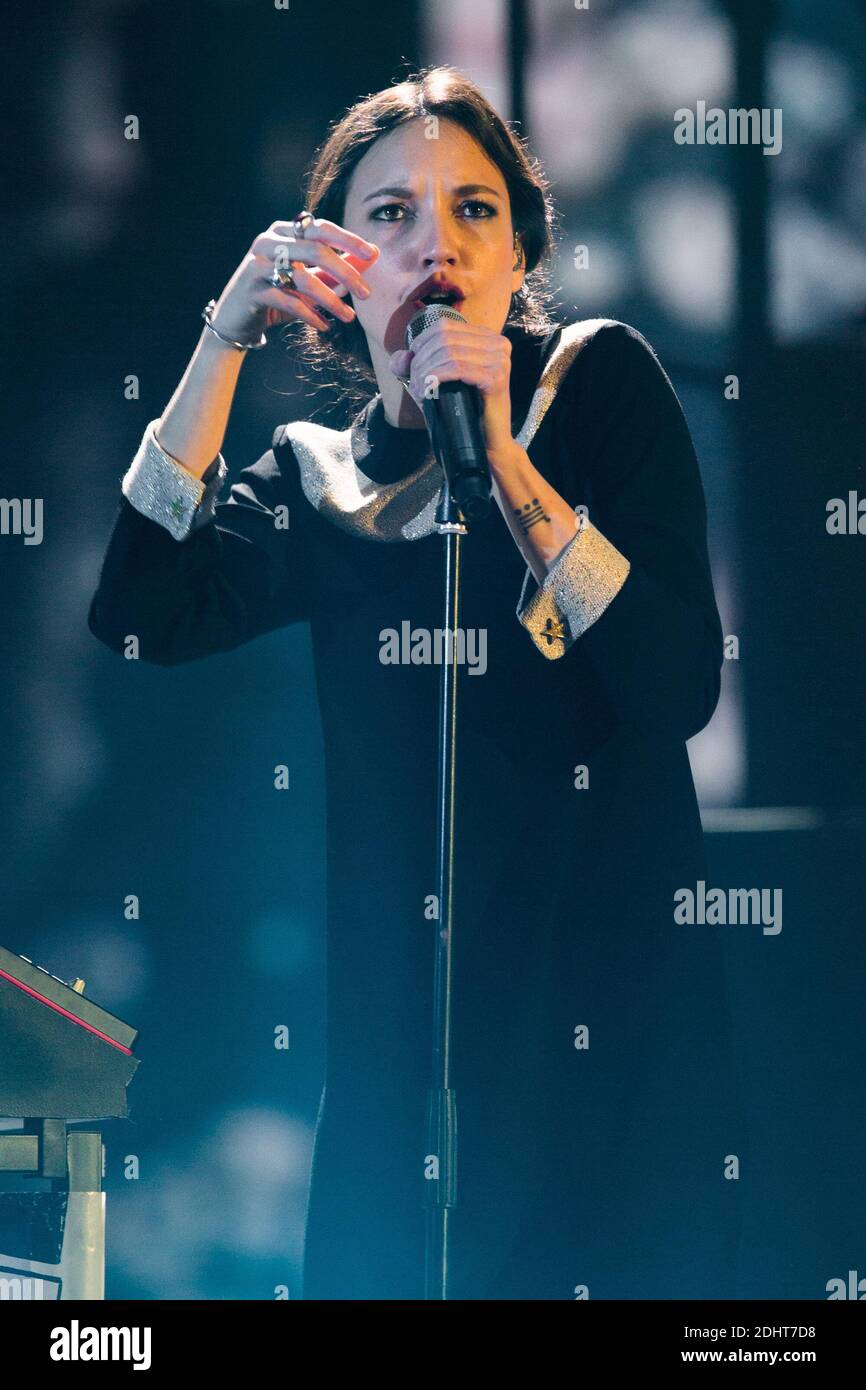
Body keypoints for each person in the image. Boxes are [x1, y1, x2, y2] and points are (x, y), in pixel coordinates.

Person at [88, 65, 746, 1300]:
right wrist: (221, 339)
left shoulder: (594, 387)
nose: (432, 241)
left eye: (473, 210)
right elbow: (137, 615)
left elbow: (674, 687)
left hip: (598, 1007)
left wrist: (500, 464)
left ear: (519, 252)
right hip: (406, 1038)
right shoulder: (316, 475)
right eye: (386, 213)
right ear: (334, 268)